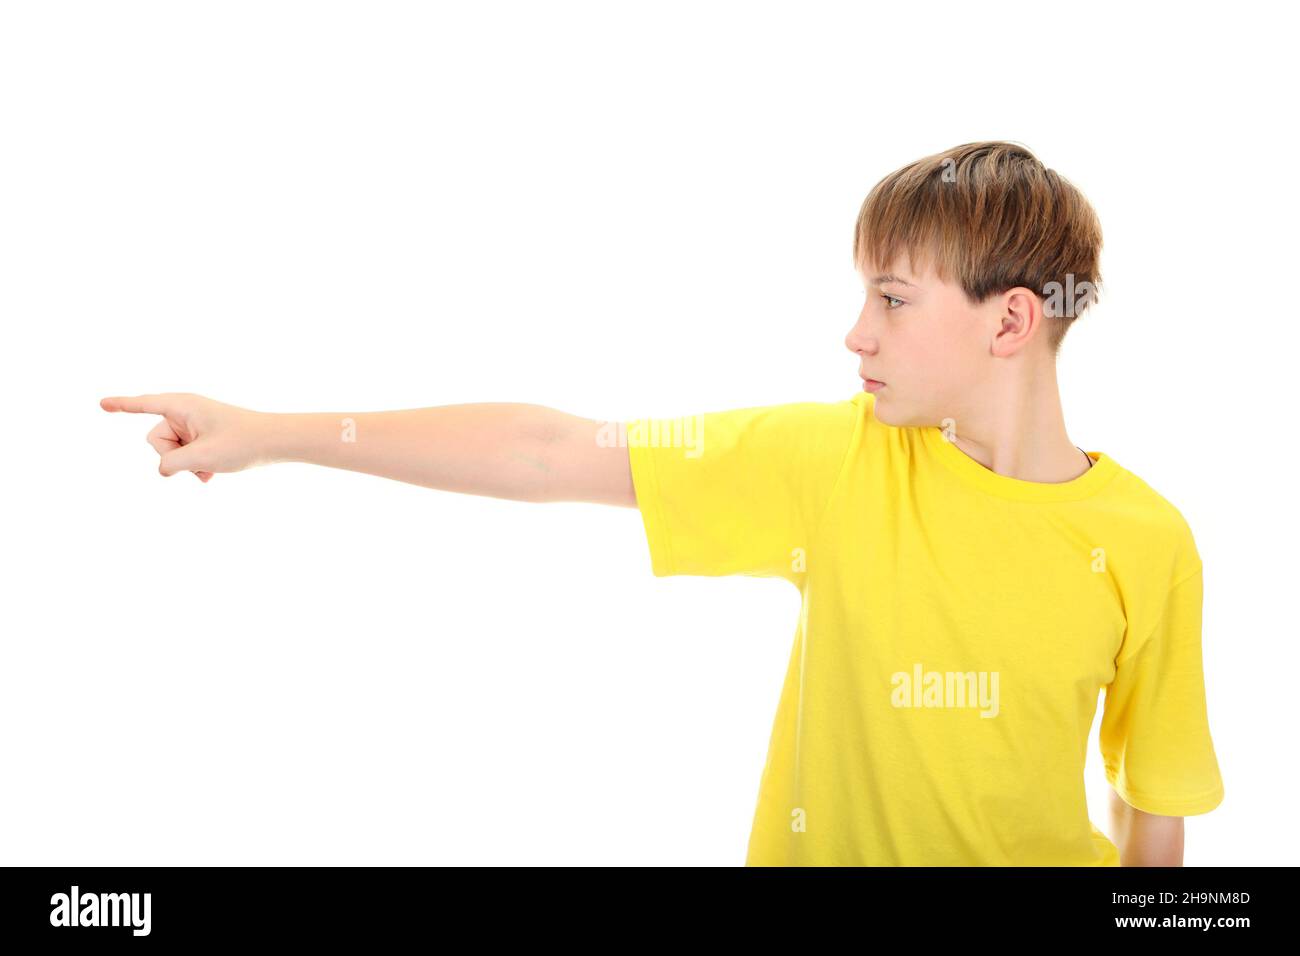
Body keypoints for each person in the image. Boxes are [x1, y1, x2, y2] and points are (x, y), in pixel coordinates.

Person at [100, 140, 1223, 866]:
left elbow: (1153, 802)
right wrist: (275, 434)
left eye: (890, 296)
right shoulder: (833, 460)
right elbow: (548, 450)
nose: (855, 332)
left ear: (1011, 322)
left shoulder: (1145, 541)